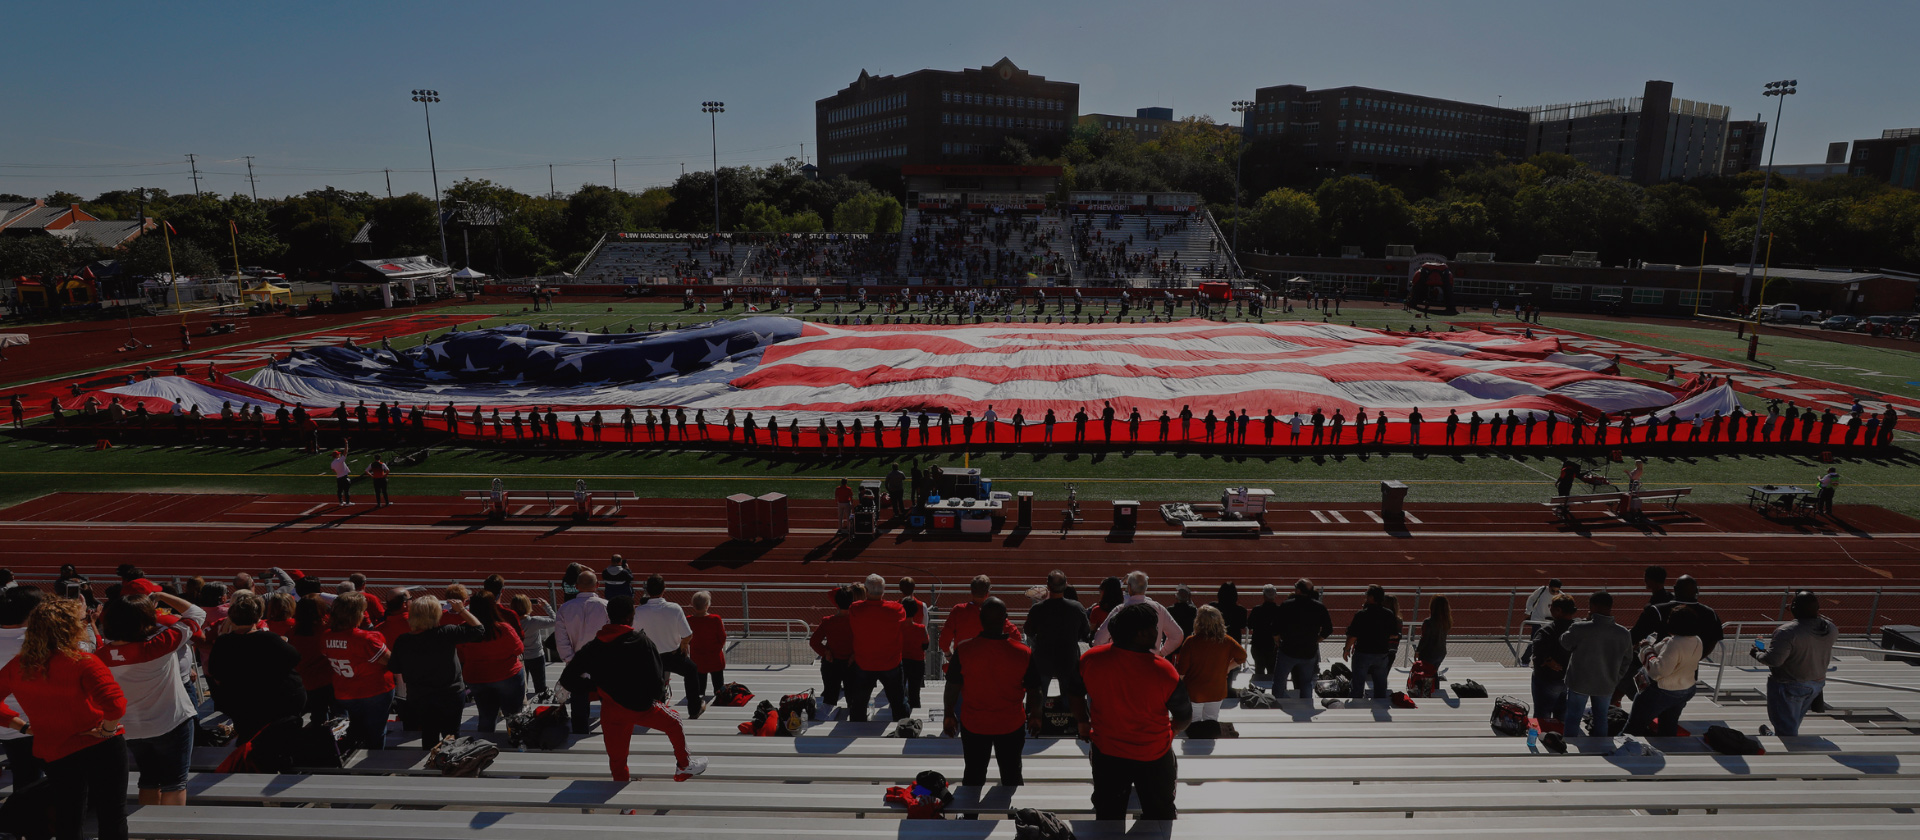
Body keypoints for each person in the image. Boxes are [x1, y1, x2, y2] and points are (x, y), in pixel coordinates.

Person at [0, 597, 130, 840]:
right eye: (82, 620)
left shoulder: (20, 664)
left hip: (56, 747)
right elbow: (115, 704)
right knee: (112, 814)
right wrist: (108, 730)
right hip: (100, 745)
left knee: (68, 816)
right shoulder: (83, 661)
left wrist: (23, 727)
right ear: (70, 627)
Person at [559, 596, 708, 782]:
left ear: (609, 617)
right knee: (675, 722)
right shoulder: (643, 643)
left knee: (617, 760)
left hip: (611, 711)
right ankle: (684, 766)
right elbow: (657, 681)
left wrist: (597, 687)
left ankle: (626, 806)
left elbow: (567, 679)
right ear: (631, 616)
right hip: (641, 707)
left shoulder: (593, 647)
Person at [1074, 603, 1191, 822]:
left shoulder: (1090, 659)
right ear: (1141, 634)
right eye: (1154, 628)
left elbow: (1074, 692)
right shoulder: (1164, 670)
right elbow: (1184, 716)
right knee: (1159, 818)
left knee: (1108, 817)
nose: (1157, 633)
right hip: (1153, 756)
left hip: (1107, 754)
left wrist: (1082, 720)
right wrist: (1170, 732)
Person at [97, 589, 204, 807]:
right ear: (146, 621)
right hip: (171, 723)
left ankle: (151, 831)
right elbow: (196, 614)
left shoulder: (98, 657)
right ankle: (174, 834)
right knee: (175, 783)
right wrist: (161, 595)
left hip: (130, 728)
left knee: (148, 779)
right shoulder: (160, 645)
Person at [944, 597, 1037, 787]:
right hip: (1011, 725)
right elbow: (1035, 689)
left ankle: (970, 815)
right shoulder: (1023, 652)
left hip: (974, 725)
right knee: (1012, 775)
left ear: (980, 619)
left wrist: (948, 714)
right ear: (1006, 619)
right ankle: (1014, 817)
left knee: (973, 774)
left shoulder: (964, 650)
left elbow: (952, 686)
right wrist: (1036, 715)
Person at [208, 591, 304, 745]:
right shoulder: (270, 639)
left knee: (248, 739)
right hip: (276, 702)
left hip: (241, 703)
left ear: (231, 617)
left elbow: (214, 671)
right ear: (258, 617)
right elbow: (295, 658)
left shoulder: (223, 642)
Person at [389, 595, 485, 749]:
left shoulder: (403, 640)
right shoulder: (446, 632)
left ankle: (429, 766)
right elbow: (479, 630)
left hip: (420, 696)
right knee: (452, 734)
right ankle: (451, 765)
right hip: (451, 694)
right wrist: (461, 610)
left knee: (428, 734)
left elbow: (395, 668)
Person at [1758, 590, 1838, 737]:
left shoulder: (1787, 631)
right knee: (1793, 720)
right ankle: (1783, 735)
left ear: (1794, 608)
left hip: (1790, 685)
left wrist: (1757, 653)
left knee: (1787, 729)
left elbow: (1773, 660)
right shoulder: (1830, 628)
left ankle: (1786, 747)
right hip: (1817, 683)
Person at [1560, 591, 1631, 741]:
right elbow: (1627, 659)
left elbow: (1565, 642)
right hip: (1606, 684)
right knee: (1601, 718)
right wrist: (1615, 677)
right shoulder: (1623, 633)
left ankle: (1569, 747)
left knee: (1573, 717)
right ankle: (1600, 747)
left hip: (1579, 683)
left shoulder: (1580, 628)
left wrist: (1582, 622)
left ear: (1592, 606)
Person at [1625, 604, 1704, 737]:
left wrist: (1645, 649)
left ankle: (1623, 753)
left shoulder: (1674, 643)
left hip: (1663, 691)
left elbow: (1658, 671)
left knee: (1633, 727)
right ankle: (1669, 750)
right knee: (1668, 727)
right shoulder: (1697, 639)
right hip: (1686, 689)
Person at [633, 575, 703, 718]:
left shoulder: (639, 611)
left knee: (649, 678)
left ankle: (652, 707)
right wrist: (683, 646)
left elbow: (634, 634)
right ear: (664, 590)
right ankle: (694, 709)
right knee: (691, 670)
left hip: (651, 658)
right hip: (673, 655)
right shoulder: (674, 608)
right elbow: (688, 634)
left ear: (646, 590)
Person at [458, 592, 526, 735]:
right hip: (508, 676)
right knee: (513, 715)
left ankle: (484, 745)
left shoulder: (463, 629)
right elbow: (519, 648)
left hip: (477, 678)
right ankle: (515, 740)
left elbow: (460, 654)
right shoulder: (503, 628)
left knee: (486, 715)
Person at [846, 575, 909, 722]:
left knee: (859, 703)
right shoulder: (897, 609)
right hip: (890, 662)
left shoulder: (855, 608)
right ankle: (904, 727)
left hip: (864, 662)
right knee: (898, 701)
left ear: (866, 590)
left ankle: (855, 729)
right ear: (884, 591)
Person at [1174, 606, 1246, 731]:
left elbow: (1181, 671)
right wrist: (1227, 668)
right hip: (1217, 689)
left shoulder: (1191, 642)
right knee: (1211, 721)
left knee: (1193, 723)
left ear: (1198, 622)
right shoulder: (1227, 641)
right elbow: (1242, 656)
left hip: (1194, 691)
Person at [554, 570, 610, 733]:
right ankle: (611, 730)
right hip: (602, 665)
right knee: (607, 700)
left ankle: (579, 732)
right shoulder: (606, 606)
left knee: (578, 702)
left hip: (576, 664)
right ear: (597, 585)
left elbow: (561, 640)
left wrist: (572, 661)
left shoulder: (565, 608)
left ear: (576, 586)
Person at [1022, 570, 1090, 701]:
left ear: (1048, 586)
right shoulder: (1076, 607)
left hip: (1043, 659)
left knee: (1040, 699)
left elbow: (1028, 631)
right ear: (1065, 586)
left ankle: (1040, 718)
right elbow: (1085, 631)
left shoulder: (1038, 609)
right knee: (1069, 700)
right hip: (1068, 659)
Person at [1092, 571, 1184, 656]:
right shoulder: (1159, 608)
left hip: (1123, 663)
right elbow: (1177, 635)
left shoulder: (1119, 610)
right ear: (1145, 588)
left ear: (1129, 588)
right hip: (1150, 663)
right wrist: (1161, 653)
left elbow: (1099, 640)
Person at [1271, 579, 1331, 699]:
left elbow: (1275, 628)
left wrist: (1277, 641)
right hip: (1308, 653)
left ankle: (1276, 707)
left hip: (1288, 651)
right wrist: (1315, 641)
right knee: (1306, 684)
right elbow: (1328, 629)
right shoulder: (1319, 607)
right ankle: (1306, 706)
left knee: (1279, 682)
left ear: (1298, 590)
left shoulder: (1287, 605)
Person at [1341, 585, 1400, 700]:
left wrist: (1346, 649)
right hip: (1381, 654)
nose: (1365, 597)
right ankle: (1380, 708)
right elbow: (1394, 634)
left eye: (1367, 595)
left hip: (1363, 653)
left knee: (1357, 686)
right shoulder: (1388, 614)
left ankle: (1356, 708)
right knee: (1380, 686)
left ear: (1372, 597)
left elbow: (1353, 635)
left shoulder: (1361, 614)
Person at [939, 575, 1021, 657]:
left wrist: (949, 655)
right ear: (987, 592)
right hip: (988, 660)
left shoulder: (959, 610)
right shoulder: (994, 610)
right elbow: (1016, 636)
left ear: (971, 591)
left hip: (963, 660)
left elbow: (944, 638)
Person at [287, 594, 337, 725]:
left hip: (303, 680)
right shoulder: (327, 630)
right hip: (326, 681)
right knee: (332, 715)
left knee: (317, 715)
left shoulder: (292, 632)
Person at [807, 586, 856, 715]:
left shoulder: (828, 621)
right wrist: (855, 654)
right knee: (854, 702)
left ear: (836, 603)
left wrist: (825, 652)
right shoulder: (857, 621)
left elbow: (814, 642)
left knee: (829, 700)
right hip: (852, 664)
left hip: (831, 664)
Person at [1530, 594, 1578, 723]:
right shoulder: (1579, 629)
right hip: (1568, 679)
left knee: (1542, 714)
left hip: (1547, 679)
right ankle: (1559, 737)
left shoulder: (1547, 630)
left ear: (1558, 610)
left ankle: (1543, 737)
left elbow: (1537, 654)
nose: (1549, 608)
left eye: (1551, 606)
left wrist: (1547, 661)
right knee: (1562, 713)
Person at [510, 594, 555, 695]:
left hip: (519, 657)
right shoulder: (534, 621)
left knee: (521, 687)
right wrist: (546, 606)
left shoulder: (509, 622)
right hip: (536, 656)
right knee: (540, 687)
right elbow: (555, 621)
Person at [687, 591, 728, 698]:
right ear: (707, 605)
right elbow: (722, 637)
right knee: (719, 687)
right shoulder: (715, 619)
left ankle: (699, 703)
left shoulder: (688, 620)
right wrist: (717, 647)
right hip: (715, 657)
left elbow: (686, 638)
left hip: (697, 658)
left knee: (700, 689)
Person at [900, 596, 930, 709]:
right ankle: (916, 714)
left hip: (901, 661)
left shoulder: (897, 626)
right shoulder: (921, 628)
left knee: (900, 691)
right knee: (915, 692)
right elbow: (925, 645)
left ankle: (901, 712)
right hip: (917, 662)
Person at [1416, 595, 1452, 668]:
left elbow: (1424, 638)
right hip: (1441, 652)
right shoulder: (1447, 621)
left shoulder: (1428, 622)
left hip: (1428, 653)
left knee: (1425, 675)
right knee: (1433, 673)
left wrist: (1417, 651)